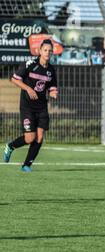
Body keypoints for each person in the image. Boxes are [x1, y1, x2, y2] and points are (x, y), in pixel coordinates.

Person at [3, 39, 58, 172]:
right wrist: (28, 89)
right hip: (27, 106)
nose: (47, 53)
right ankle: (11, 146)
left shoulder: (51, 70)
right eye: (45, 50)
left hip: (42, 107)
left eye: (50, 51)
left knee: (39, 137)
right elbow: (14, 79)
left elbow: (52, 88)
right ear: (39, 51)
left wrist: (54, 93)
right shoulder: (30, 64)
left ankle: (26, 165)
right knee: (30, 137)